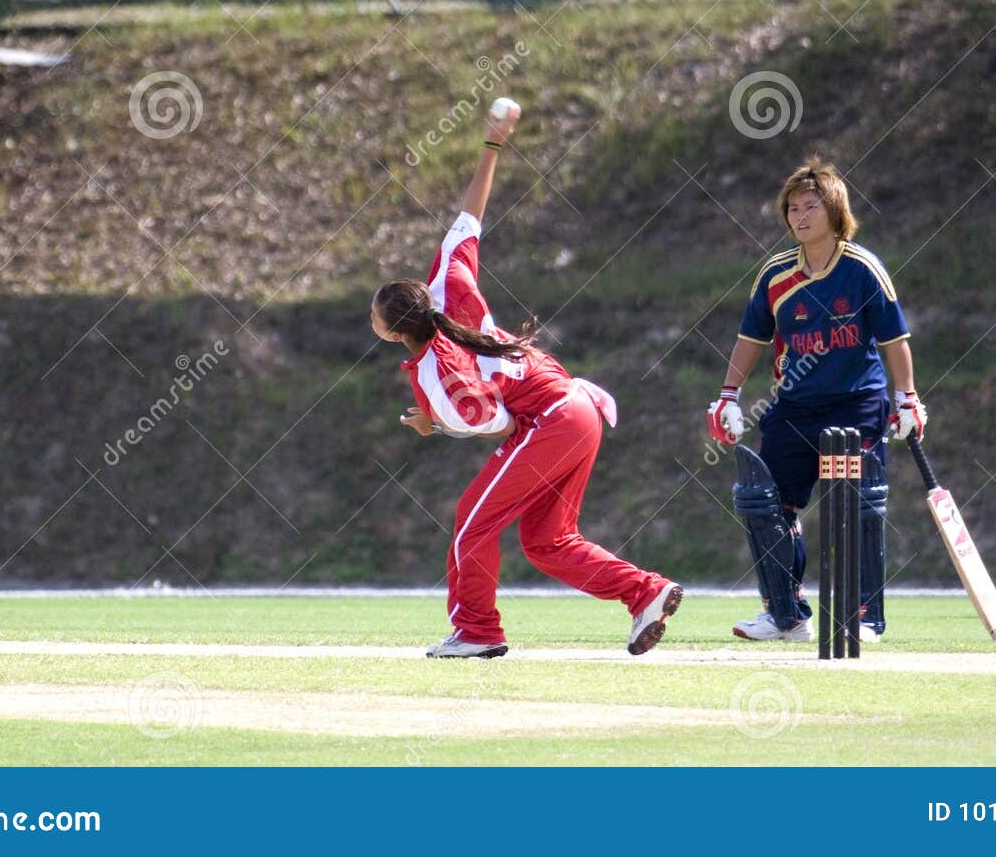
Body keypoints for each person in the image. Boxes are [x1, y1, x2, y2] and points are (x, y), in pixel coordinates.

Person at [372, 101, 682, 658]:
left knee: (472, 522)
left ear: (394, 332)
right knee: (547, 541)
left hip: (552, 420)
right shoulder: (446, 280)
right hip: (577, 405)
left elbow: (497, 424)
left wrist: (438, 424)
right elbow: (471, 213)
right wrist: (493, 142)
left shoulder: (436, 372)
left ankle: (477, 632)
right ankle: (645, 592)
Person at [706, 158, 923, 641]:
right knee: (764, 503)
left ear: (835, 210)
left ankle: (864, 616)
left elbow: (895, 340)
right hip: (793, 406)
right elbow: (751, 339)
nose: (800, 216)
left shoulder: (862, 269)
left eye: (811, 206)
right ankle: (785, 614)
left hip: (856, 405)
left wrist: (907, 397)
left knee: (855, 505)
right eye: (793, 208)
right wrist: (728, 396)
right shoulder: (775, 274)